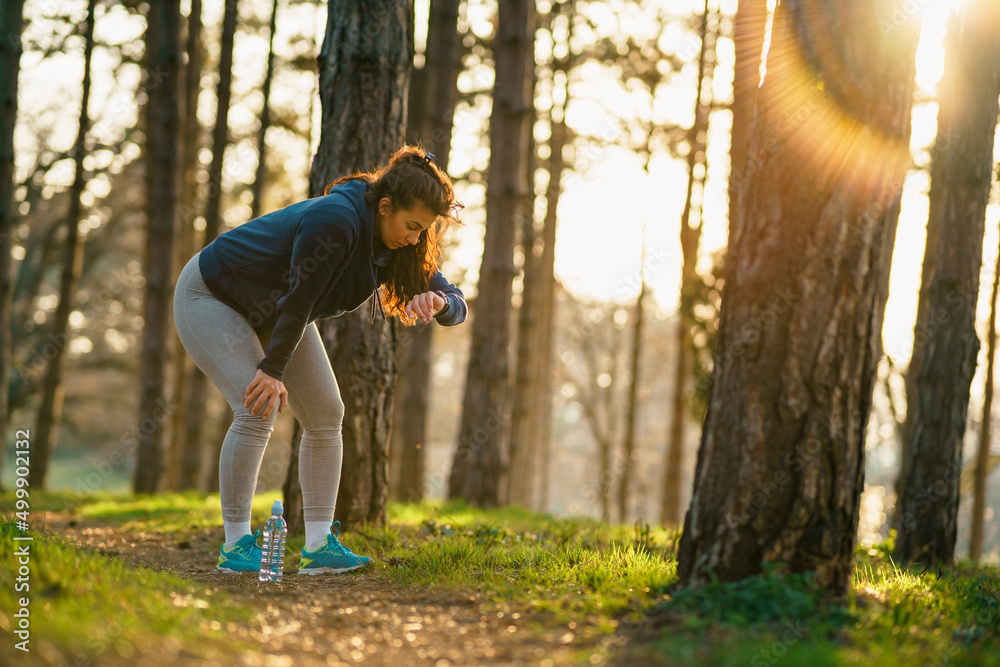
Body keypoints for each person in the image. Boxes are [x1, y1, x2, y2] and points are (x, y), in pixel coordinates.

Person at [173, 146, 467, 575]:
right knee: (257, 405)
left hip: (281, 311)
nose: (416, 237)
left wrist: (439, 301)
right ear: (385, 206)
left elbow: (458, 302)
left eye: (424, 230)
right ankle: (235, 546)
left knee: (328, 412)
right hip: (212, 294)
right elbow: (299, 301)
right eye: (412, 226)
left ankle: (317, 547)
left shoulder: (400, 245)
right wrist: (271, 371)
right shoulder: (336, 219)